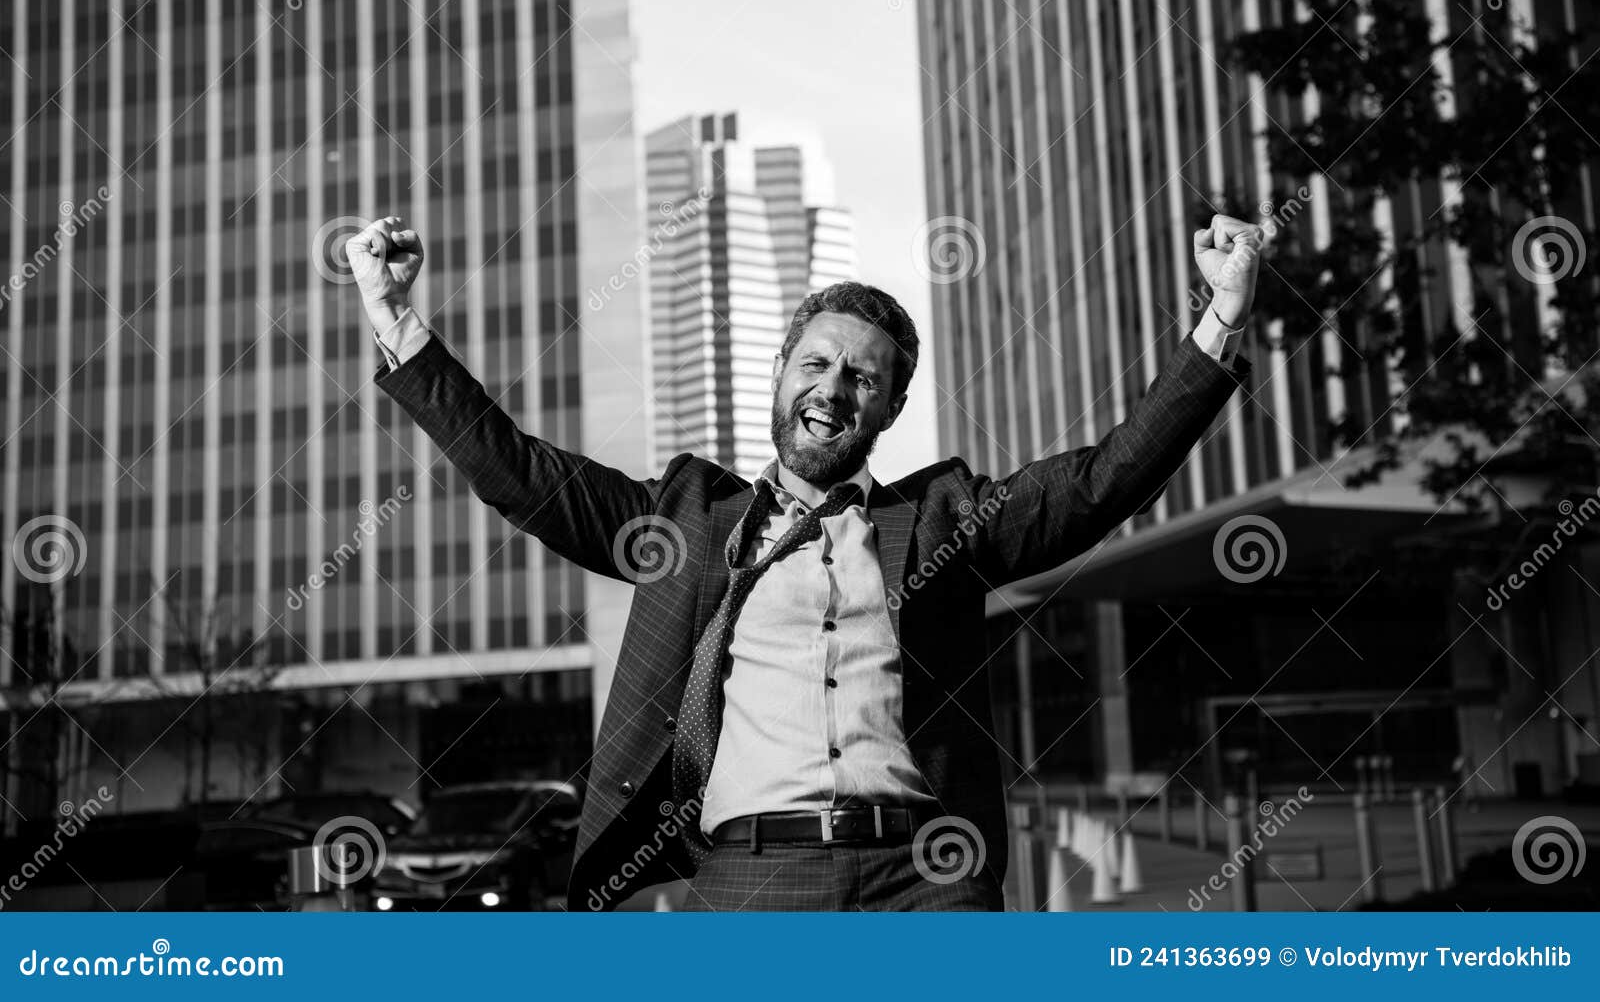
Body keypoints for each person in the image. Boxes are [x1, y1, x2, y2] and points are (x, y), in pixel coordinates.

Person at [345, 212, 1262, 910]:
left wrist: (1220, 317)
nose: (832, 389)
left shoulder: (942, 518)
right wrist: (394, 314)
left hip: (927, 880)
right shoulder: (690, 522)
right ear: (782, 371)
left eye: (862, 377)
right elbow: (520, 473)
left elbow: (1106, 479)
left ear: (891, 409)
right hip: (754, 878)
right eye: (816, 363)